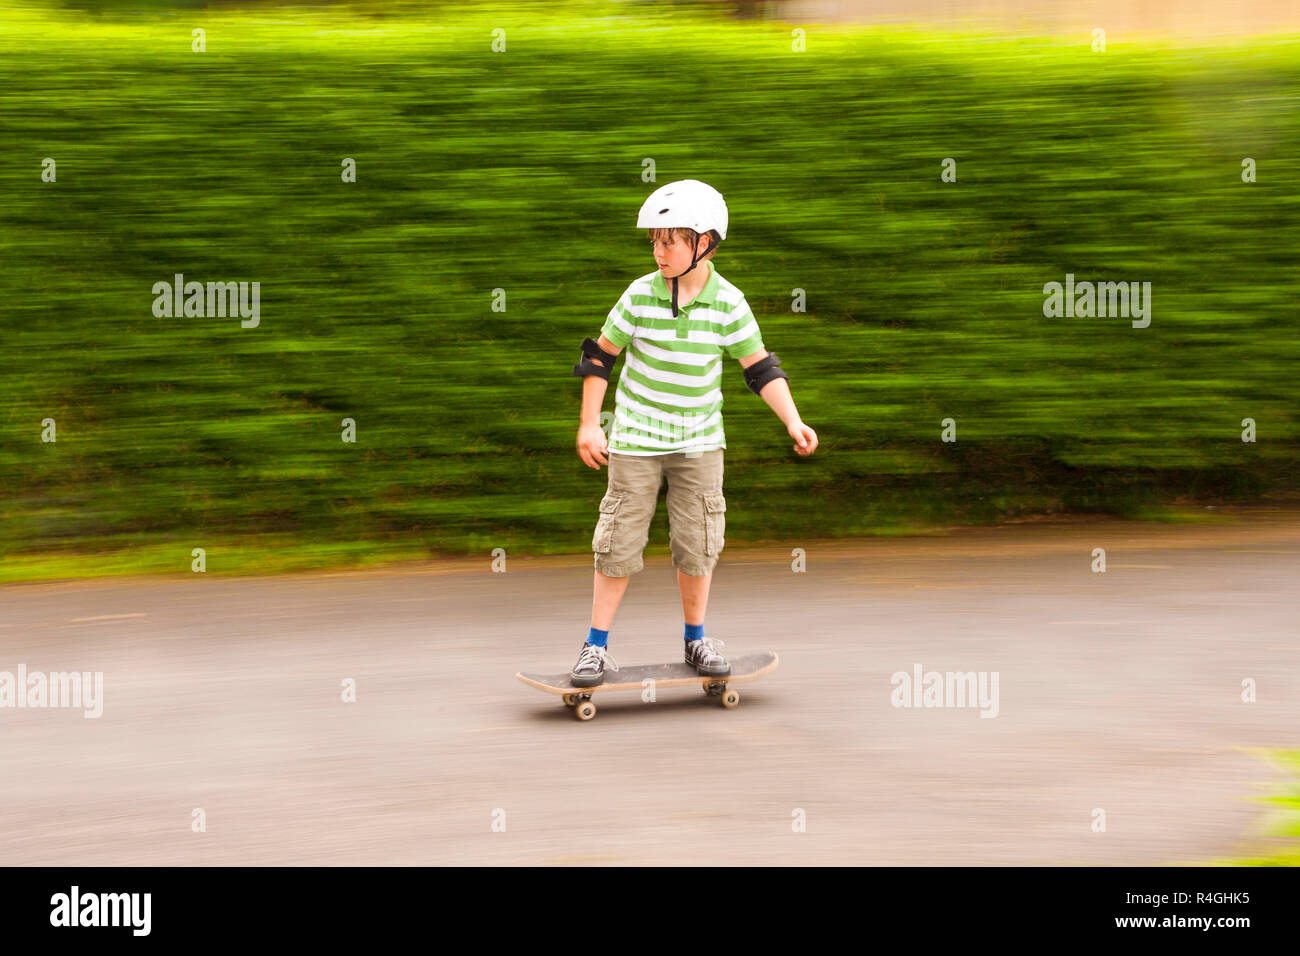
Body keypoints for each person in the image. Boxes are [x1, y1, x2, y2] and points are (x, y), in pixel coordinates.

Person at [570, 179, 818, 687]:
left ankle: (696, 639)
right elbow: (599, 357)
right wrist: (590, 423)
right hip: (636, 440)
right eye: (655, 241)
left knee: (699, 542)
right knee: (616, 543)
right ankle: (594, 648)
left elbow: (761, 369)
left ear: (704, 243)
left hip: (701, 443)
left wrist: (793, 420)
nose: (659, 251)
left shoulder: (728, 302)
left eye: (670, 241)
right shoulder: (639, 294)